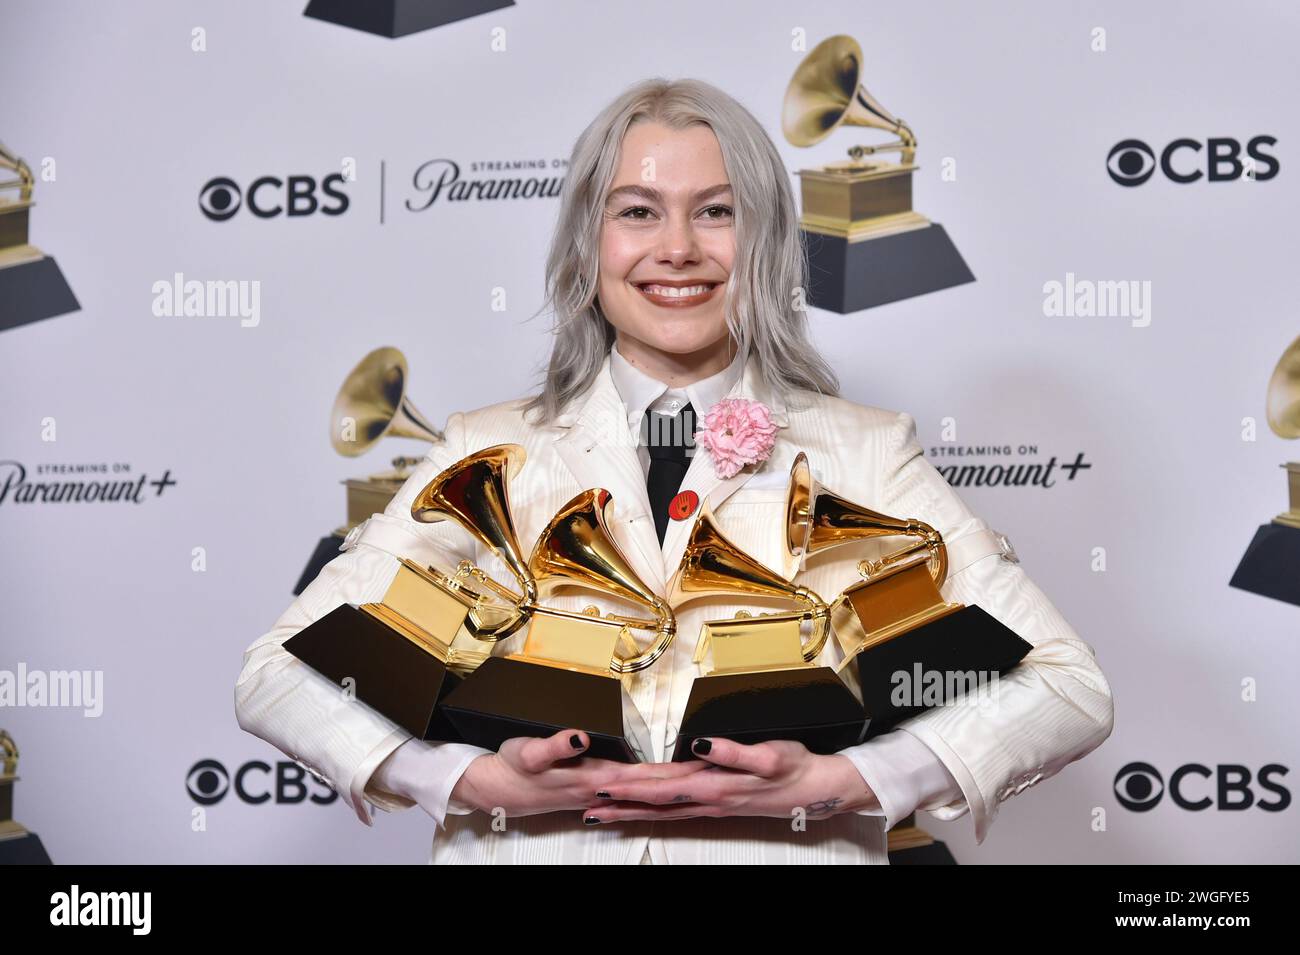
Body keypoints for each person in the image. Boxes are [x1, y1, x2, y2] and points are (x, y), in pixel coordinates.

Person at [235, 77, 1114, 865]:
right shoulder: (477, 447)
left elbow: (1069, 687)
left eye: (717, 211)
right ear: (587, 246)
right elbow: (277, 673)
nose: (679, 248)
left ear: (764, 242)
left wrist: (851, 781)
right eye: (638, 210)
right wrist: (460, 781)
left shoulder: (869, 450)